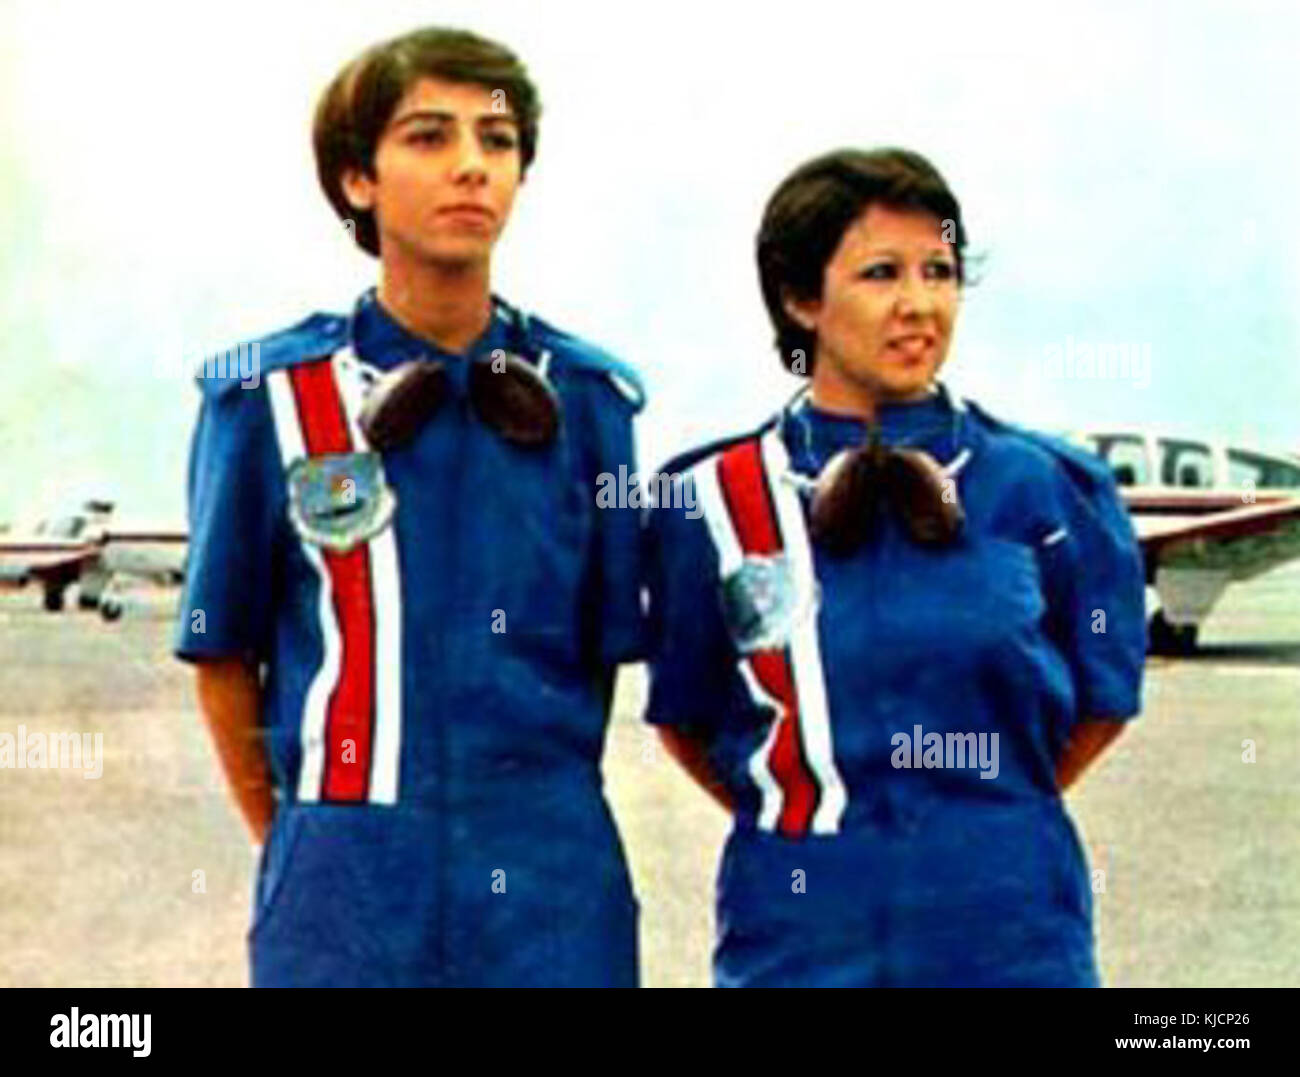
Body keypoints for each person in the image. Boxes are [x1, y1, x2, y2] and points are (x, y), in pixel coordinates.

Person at [174, 26, 646, 988]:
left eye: (497, 141)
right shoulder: (268, 400)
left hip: (549, 882)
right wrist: (313, 835)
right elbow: (224, 653)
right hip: (343, 881)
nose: (472, 167)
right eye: (430, 138)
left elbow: (600, 654)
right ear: (358, 178)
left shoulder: (588, 404)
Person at [643, 147, 1146, 987]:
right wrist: (816, 824)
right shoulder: (710, 502)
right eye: (881, 273)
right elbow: (685, 716)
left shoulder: (1050, 489)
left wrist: (980, 817)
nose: (920, 305)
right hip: (796, 936)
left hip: (1008, 932)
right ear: (801, 298)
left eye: (940, 272)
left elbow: (1101, 698)